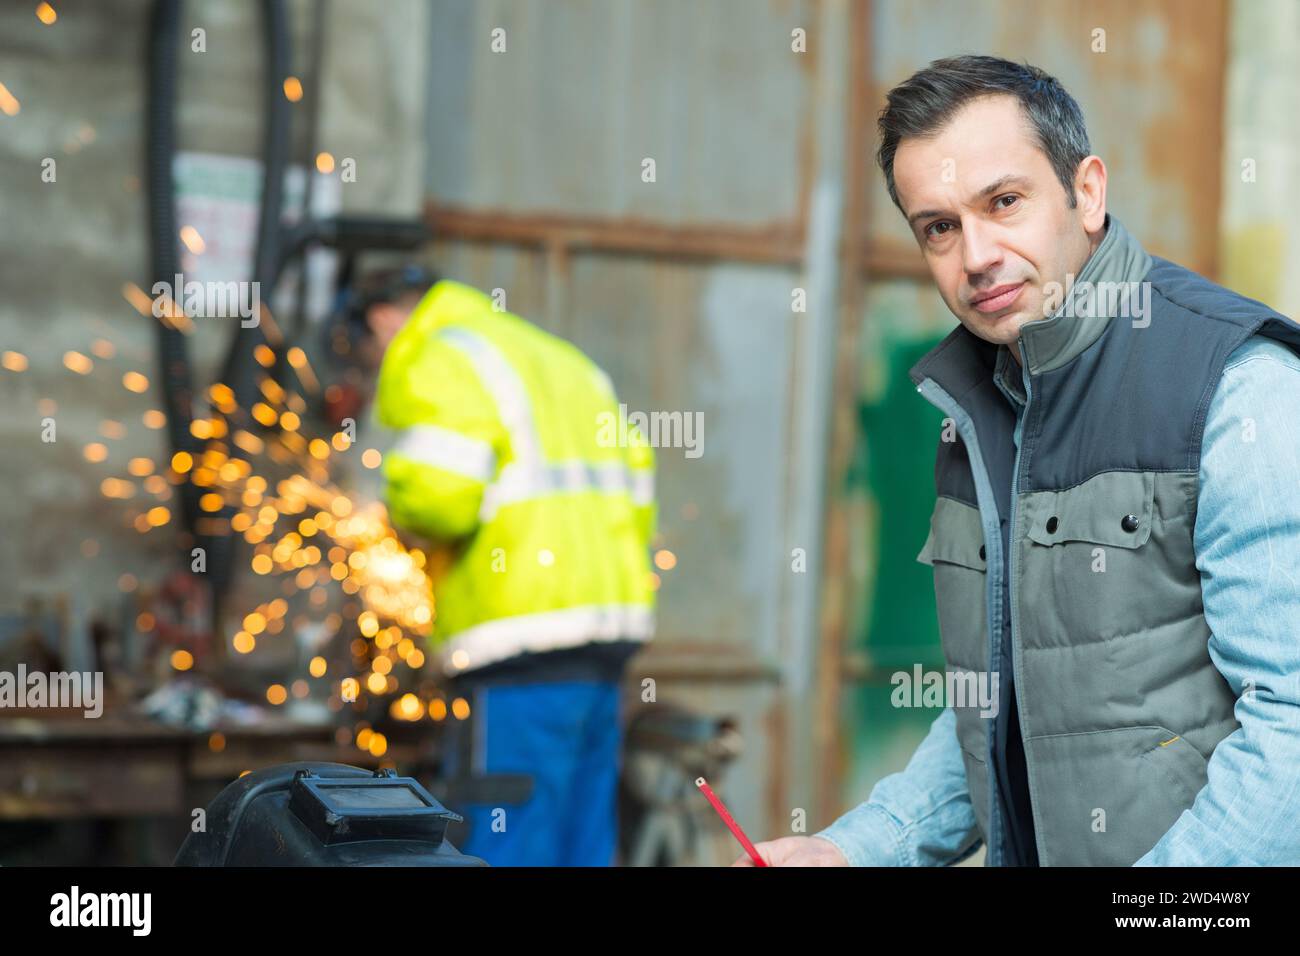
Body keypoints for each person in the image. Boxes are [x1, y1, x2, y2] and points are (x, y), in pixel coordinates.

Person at [737, 55, 1300, 867]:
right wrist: (855, 850)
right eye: (939, 226)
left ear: (1089, 192)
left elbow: (1291, 727)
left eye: (1004, 203)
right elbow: (1003, 703)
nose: (976, 256)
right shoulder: (976, 402)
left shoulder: (1238, 388)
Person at [355, 266, 657, 866]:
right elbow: (638, 497)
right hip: (603, 640)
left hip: (520, 644)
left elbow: (440, 496)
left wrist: (384, 509)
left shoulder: (445, 352)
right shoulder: (562, 360)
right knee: (582, 842)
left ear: (383, 320)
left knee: (507, 843)